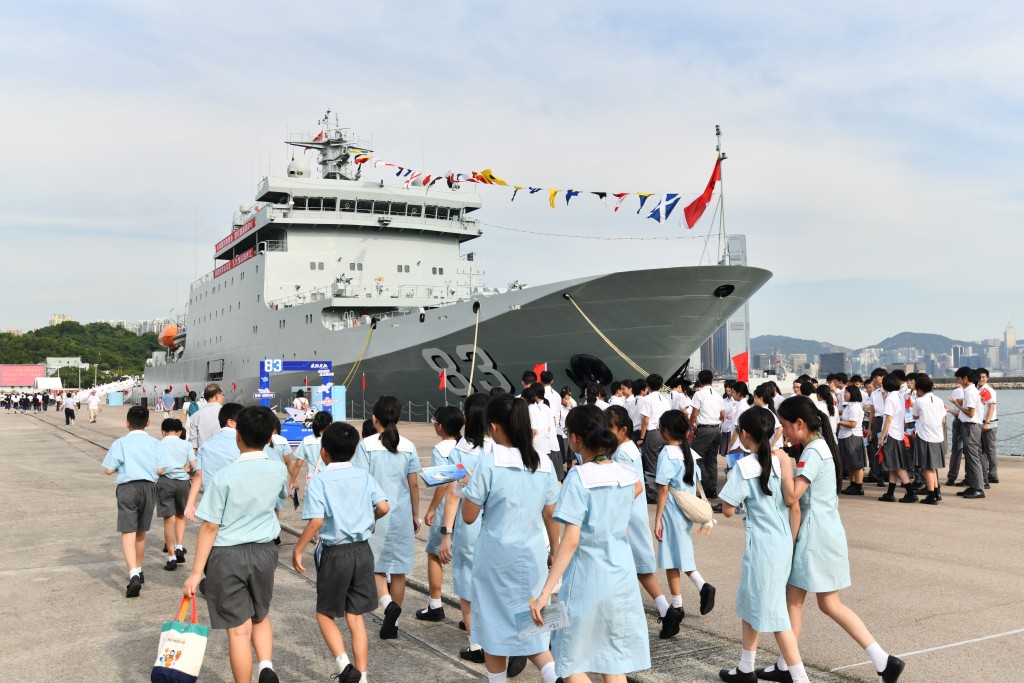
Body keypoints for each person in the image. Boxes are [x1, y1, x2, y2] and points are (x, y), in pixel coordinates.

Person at [775, 396, 905, 683]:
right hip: (826, 530)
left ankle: (789, 665)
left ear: (799, 424)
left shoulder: (812, 451)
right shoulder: (818, 447)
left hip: (813, 534)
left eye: (784, 425)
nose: (782, 431)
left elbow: (792, 495)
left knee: (796, 602)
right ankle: (882, 660)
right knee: (825, 603)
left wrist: (784, 463)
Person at [532, 404, 651, 682]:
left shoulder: (579, 477)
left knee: (570, 660)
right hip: (621, 578)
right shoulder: (625, 474)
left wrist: (544, 592)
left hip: (587, 579)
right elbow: (636, 488)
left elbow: (570, 540)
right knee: (613, 661)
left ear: (574, 438)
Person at [182, 406, 288, 683]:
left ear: (237, 436)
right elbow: (280, 497)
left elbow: (210, 526)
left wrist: (195, 573)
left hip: (228, 555)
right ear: (268, 438)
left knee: (238, 630)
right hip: (265, 552)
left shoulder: (225, 477)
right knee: (261, 613)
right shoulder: (278, 469)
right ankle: (266, 666)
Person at [462, 394, 561, 683]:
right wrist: (554, 549)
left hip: (495, 559)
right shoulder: (542, 462)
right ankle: (553, 675)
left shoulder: (489, 462)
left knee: (494, 629)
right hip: (533, 556)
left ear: (493, 427)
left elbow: (469, 516)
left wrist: (468, 489)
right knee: (534, 625)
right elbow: (551, 513)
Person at [293, 421, 391, 683]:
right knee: (356, 616)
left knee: (325, 613)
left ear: (324, 452)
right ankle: (364, 676)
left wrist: (298, 549)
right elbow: (383, 506)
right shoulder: (364, 476)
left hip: (335, 553)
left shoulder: (320, 481)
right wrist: (369, 519)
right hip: (362, 550)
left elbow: (315, 522)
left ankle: (345, 665)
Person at [718, 407, 809, 683]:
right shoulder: (783, 463)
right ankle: (746, 667)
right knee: (751, 603)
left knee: (775, 615)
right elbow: (794, 507)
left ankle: (800, 677)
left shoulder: (744, 466)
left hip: (761, 547)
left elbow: (727, 509)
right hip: (781, 542)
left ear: (745, 434)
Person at [607, 405, 683, 639]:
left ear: (623, 430)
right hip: (633, 514)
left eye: (609, 428)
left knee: (634, 566)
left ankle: (664, 610)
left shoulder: (622, 453)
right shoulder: (627, 448)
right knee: (639, 568)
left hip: (628, 515)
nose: (606, 432)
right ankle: (665, 610)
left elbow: (631, 487)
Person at [353, 395, 421, 640]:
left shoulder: (367, 445)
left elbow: (361, 482)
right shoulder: (409, 446)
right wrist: (416, 515)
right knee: (399, 570)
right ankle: (395, 622)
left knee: (375, 566)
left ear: (374, 418)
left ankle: (387, 605)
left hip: (376, 513)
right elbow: (413, 484)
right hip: (401, 514)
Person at [438, 393, 491, 664]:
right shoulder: (501, 450)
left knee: (468, 587)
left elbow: (452, 494)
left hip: (469, 526)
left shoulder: (459, 451)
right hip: (496, 524)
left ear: (468, 417)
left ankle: (476, 645)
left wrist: (446, 533)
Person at [654, 409, 717, 618]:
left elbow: (662, 487)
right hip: (686, 507)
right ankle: (694, 592)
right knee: (679, 552)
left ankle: (681, 602)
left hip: (672, 508)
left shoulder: (667, 453)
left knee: (671, 557)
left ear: (665, 431)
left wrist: (657, 518)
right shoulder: (688, 451)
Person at [102, 405, 160, 598]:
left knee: (128, 531)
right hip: (148, 487)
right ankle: (140, 568)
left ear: (127, 423)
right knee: (141, 531)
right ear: (148, 423)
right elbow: (161, 468)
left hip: (128, 488)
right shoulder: (155, 443)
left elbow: (108, 470)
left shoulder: (120, 443)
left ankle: (133, 573)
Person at [418, 405, 464, 623]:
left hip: (448, 509)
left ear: (441, 426)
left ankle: (435, 604)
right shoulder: (465, 445)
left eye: (434, 420)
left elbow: (443, 482)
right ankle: (469, 613)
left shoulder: (441, 450)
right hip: (468, 509)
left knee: (435, 553)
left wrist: (431, 508)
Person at [184, 403, 244, 523]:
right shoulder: (244, 443)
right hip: (240, 501)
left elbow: (198, 475)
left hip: (212, 503)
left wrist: (190, 504)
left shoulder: (206, 446)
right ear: (231, 422)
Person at [156, 418, 195, 570]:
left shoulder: (158, 444)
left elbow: (157, 468)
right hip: (183, 482)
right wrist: (187, 472)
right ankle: (179, 546)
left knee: (168, 519)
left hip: (165, 482)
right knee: (180, 516)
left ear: (163, 432)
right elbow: (193, 465)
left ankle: (171, 556)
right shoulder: (186, 444)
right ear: (180, 432)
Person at [878, 373, 915, 503]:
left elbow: (888, 418)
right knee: (894, 465)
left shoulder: (889, 398)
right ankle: (890, 493)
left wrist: (882, 436)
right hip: (898, 433)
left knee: (897, 466)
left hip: (891, 434)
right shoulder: (899, 396)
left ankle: (911, 492)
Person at [950, 367, 985, 499]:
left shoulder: (970, 392)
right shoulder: (969, 391)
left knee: (973, 457)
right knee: (970, 457)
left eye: (958, 378)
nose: (957, 380)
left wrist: (956, 404)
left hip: (971, 426)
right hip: (969, 426)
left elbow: (970, 413)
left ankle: (978, 488)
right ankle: (973, 485)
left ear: (965, 378)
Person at [689, 370, 725, 499]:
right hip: (716, 429)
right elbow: (722, 415)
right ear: (712, 380)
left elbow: (694, 414)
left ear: (699, 380)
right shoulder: (718, 395)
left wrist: (689, 427)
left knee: (696, 458)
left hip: (704, 429)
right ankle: (712, 489)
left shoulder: (698, 394)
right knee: (711, 460)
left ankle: (707, 486)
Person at [912, 374, 946, 505]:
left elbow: (914, 416)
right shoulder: (939, 400)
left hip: (925, 435)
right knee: (932, 467)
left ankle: (931, 495)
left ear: (919, 390)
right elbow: (943, 419)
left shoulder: (919, 401)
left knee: (927, 467)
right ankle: (936, 492)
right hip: (937, 435)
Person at [638, 373, 672, 502]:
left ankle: (653, 494)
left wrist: (641, 438)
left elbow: (645, 421)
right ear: (661, 385)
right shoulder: (665, 399)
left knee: (651, 463)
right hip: (665, 432)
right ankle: (665, 490)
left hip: (652, 433)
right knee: (663, 462)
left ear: (647, 386)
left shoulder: (647, 399)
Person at [288, 411, 334, 494]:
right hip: (331, 478)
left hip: (313, 480)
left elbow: (298, 464)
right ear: (329, 424)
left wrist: (292, 481)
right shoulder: (334, 439)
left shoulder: (307, 440)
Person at [837, 385, 867, 496]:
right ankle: (853, 484)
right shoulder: (849, 406)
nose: (844, 395)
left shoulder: (855, 407)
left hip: (852, 436)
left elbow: (852, 424)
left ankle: (859, 486)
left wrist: (838, 422)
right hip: (845, 436)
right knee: (850, 462)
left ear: (853, 394)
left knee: (856, 462)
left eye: (847, 393)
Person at [977, 368, 999, 486]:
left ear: (987, 378)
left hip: (989, 423)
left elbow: (992, 407)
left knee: (990, 450)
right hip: (980, 423)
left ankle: (993, 475)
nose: (981, 379)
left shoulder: (989, 390)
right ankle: (984, 474)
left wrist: (987, 422)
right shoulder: (978, 390)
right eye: (979, 377)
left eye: (983, 377)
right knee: (982, 450)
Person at [188, 384, 225, 452]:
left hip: (204, 457)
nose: (223, 397)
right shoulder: (227, 413)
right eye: (222, 395)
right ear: (217, 396)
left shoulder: (196, 416)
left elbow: (193, 444)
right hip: (224, 456)